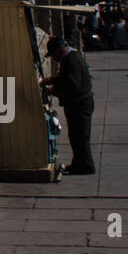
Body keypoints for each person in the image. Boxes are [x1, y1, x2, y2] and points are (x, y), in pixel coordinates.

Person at [43, 36, 96, 175]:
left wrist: (53, 90)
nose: (54, 59)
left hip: (80, 104)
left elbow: (72, 85)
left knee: (80, 136)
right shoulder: (71, 58)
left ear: (60, 50)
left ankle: (85, 165)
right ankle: (79, 163)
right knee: (76, 135)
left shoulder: (71, 60)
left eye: (54, 55)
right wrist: (52, 80)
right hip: (79, 103)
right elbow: (66, 80)